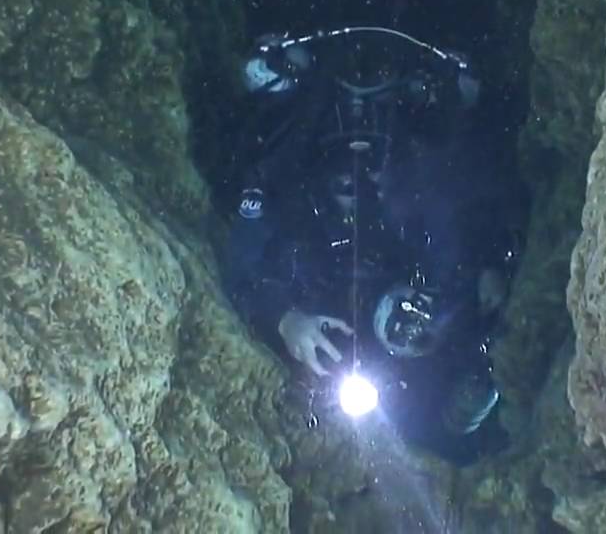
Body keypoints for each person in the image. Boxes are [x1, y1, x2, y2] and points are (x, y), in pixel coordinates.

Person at [220, 27, 520, 460]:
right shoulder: (296, 191)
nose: (361, 184)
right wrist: (285, 319)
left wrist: (286, 319)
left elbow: (244, 270)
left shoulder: (402, 201)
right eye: (347, 179)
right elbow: (240, 267)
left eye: (370, 171)